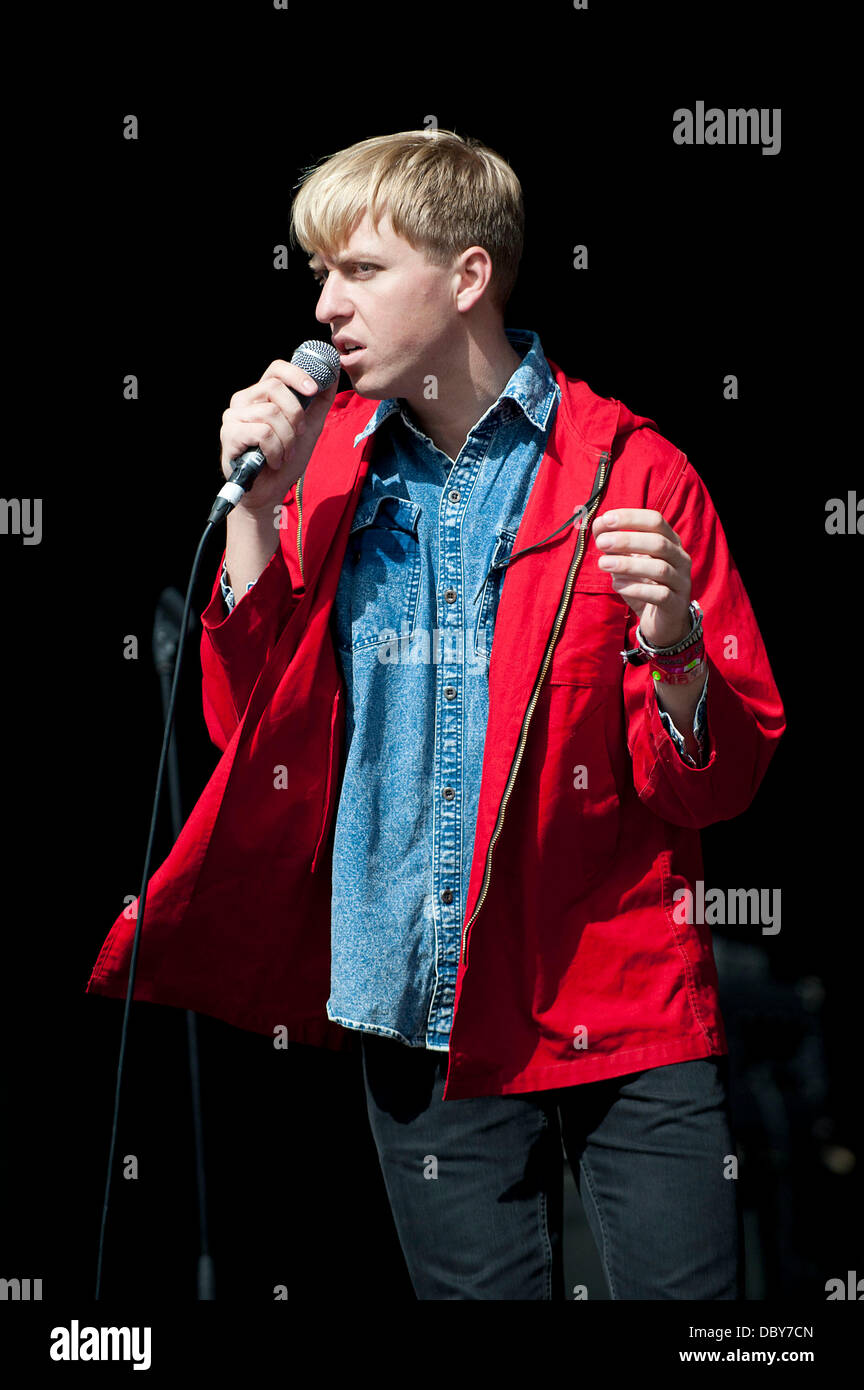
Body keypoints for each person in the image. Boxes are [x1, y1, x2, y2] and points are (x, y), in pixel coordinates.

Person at [87, 129, 786, 1300]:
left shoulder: (633, 471)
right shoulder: (324, 467)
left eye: (358, 271)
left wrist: (674, 652)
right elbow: (242, 733)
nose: (325, 303)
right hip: (414, 1010)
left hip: (614, 1004)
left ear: (467, 278)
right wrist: (256, 507)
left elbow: (718, 780)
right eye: (320, 274)